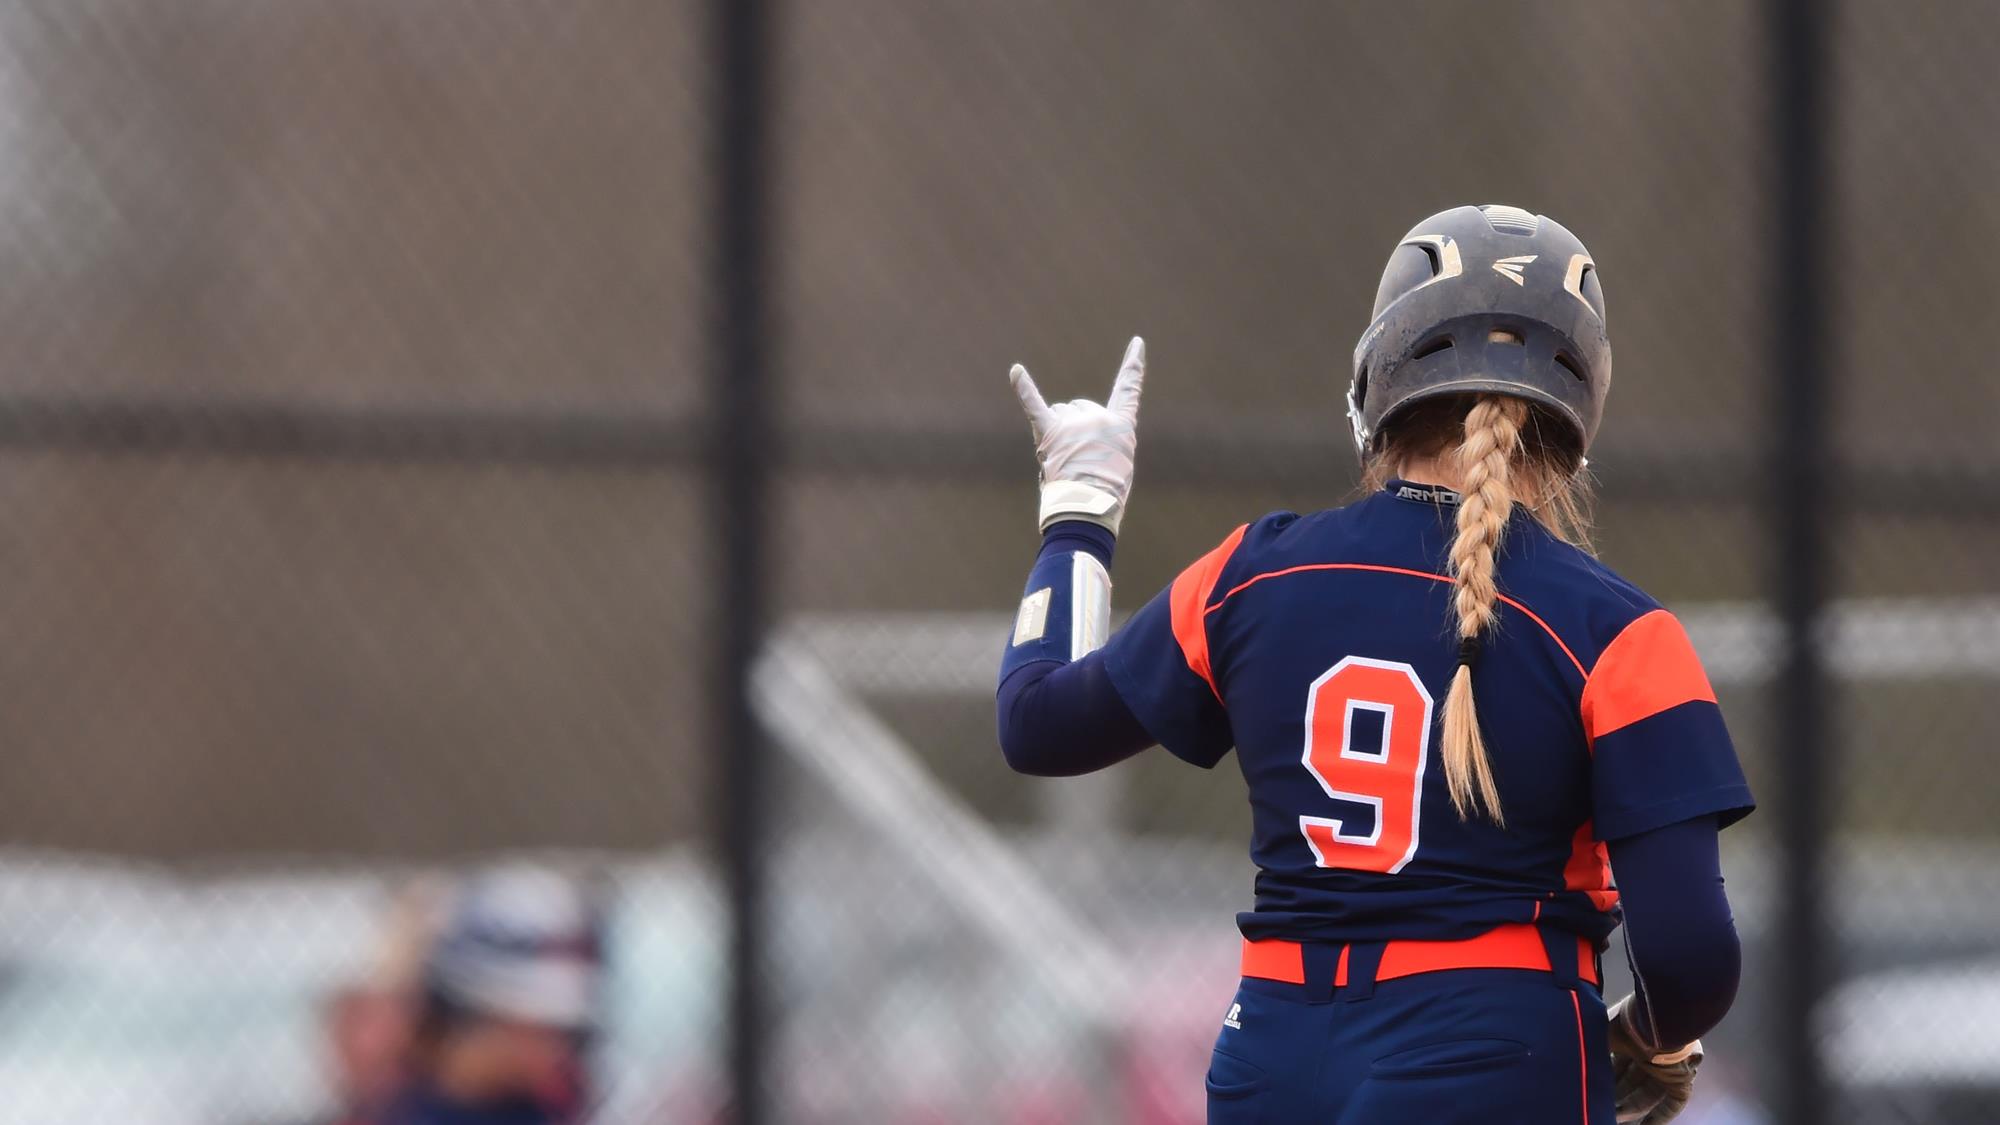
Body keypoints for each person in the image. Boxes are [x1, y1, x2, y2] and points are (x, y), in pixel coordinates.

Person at [995, 204, 1752, 1123]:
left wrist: (1079, 512)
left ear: (1380, 379)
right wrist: (1647, 1039)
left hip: (1271, 1057)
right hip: (1498, 1047)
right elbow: (1691, 956)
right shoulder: (1618, 630)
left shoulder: (1250, 574)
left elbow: (1036, 722)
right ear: (1577, 407)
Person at [376, 866, 605, 1125]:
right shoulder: (398, 1106)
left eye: (562, 1033)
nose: (557, 1049)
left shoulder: (548, 1108)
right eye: (541, 1029)